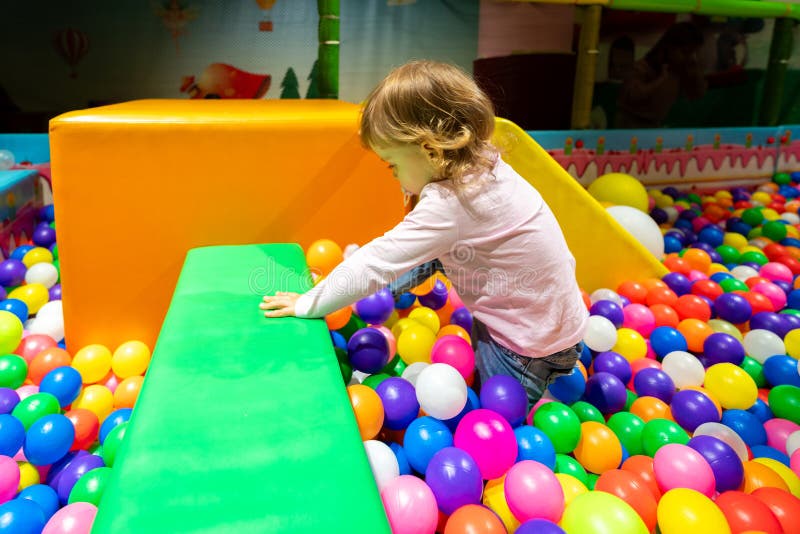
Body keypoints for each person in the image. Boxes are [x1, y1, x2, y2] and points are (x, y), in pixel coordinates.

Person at [260, 60, 588, 405]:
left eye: (394, 165)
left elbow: (377, 261)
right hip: (563, 328)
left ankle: (536, 402)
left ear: (430, 151)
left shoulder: (450, 205)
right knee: (436, 251)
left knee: (497, 418)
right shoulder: (486, 165)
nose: (393, 175)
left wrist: (309, 303)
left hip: (523, 350)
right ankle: (387, 292)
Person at [616, 22, 707, 129]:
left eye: (694, 53)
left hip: (654, 124)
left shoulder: (679, 70)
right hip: (629, 123)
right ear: (669, 47)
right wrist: (659, 80)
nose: (689, 58)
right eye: (685, 52)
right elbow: (631, 95)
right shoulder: (643, 67)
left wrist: (696, 72)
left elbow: (696, 95)